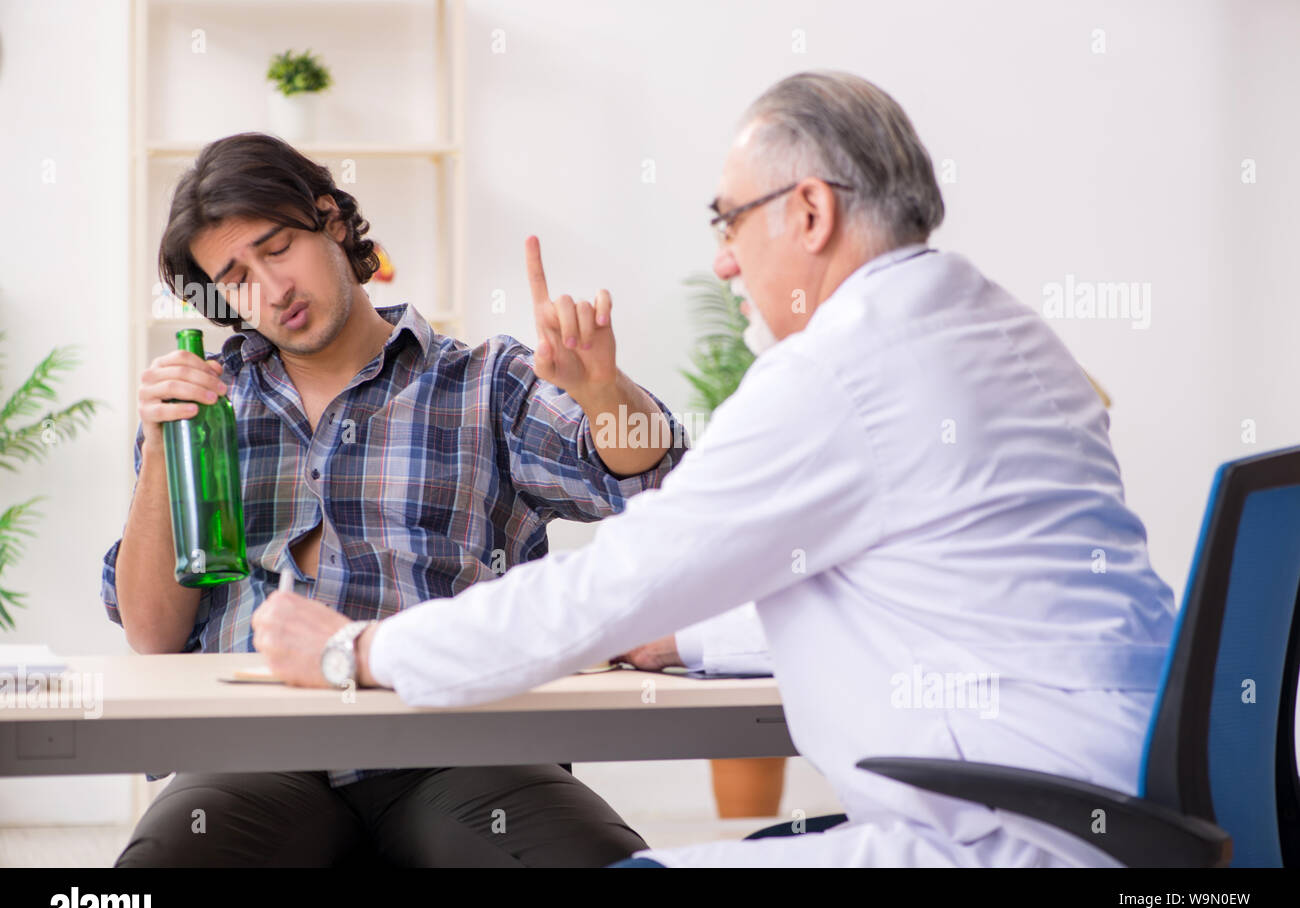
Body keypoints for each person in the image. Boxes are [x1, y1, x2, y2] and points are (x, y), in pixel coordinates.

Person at [252, 71, 1178, 867]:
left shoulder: (838, 373)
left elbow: (605, 587)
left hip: (1017, 832)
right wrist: (686, 642)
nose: (724, 260)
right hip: (1138, 808)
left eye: (730, 220)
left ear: (810, 211)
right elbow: (934, 596)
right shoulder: (1002, 332)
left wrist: (354, 649)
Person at [101, 132, 693, 867]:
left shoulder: (486, 381)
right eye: (236, 276)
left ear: (333, 221)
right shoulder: (202, 409)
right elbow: (151, 634)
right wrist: (161, 446)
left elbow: (660, 487)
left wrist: (604, 392)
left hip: (461, 743)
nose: (271, 289)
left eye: (278, 246)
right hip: (252, 752)